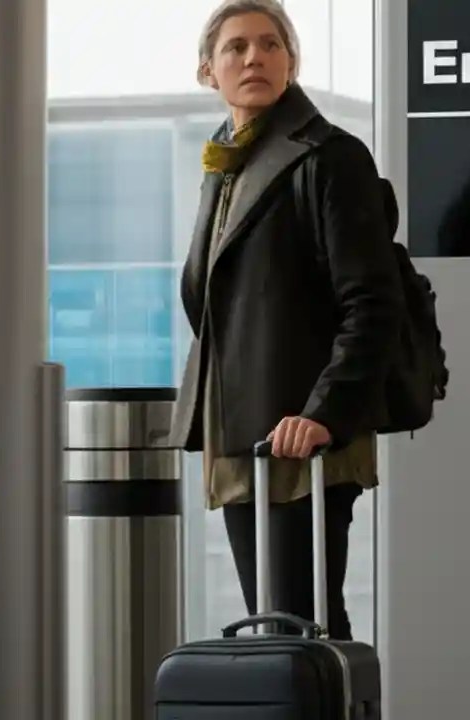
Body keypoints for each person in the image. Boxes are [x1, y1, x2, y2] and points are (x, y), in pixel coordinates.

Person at [171, 0, 403, 641]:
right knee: (284, 627)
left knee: (303, 623)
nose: (255, 58)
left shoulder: (328, 156)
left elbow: (372, 301)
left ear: (291, 63)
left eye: (271, 45)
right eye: (237, 47)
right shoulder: (227, 164)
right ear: (206, 71)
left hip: (302, 432)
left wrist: (323, 412)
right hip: (246, 432)